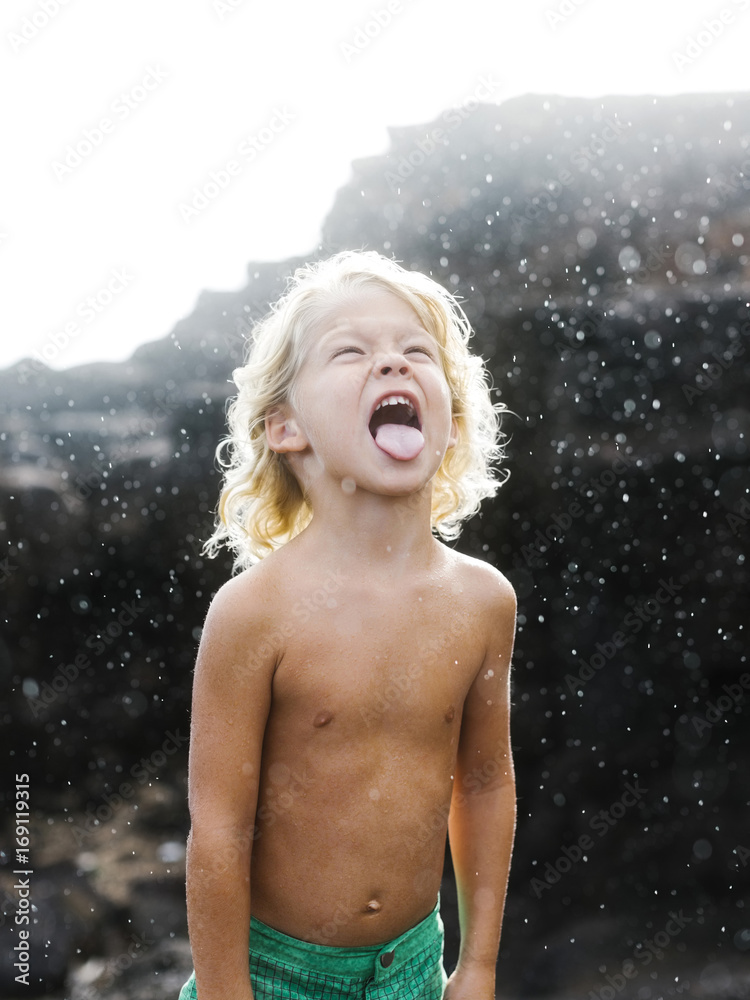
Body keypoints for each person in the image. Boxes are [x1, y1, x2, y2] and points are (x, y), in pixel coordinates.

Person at [178, 250, 517, 1000]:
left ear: (452, 422)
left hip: (413, 971)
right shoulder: (254, 612)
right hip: (273, 974)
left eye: (416, 352)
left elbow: (486, 781)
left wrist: (480, 964)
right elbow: (219, 831)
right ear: (286, 428)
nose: (392, 365)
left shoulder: (482, 601)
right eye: (352, 352)